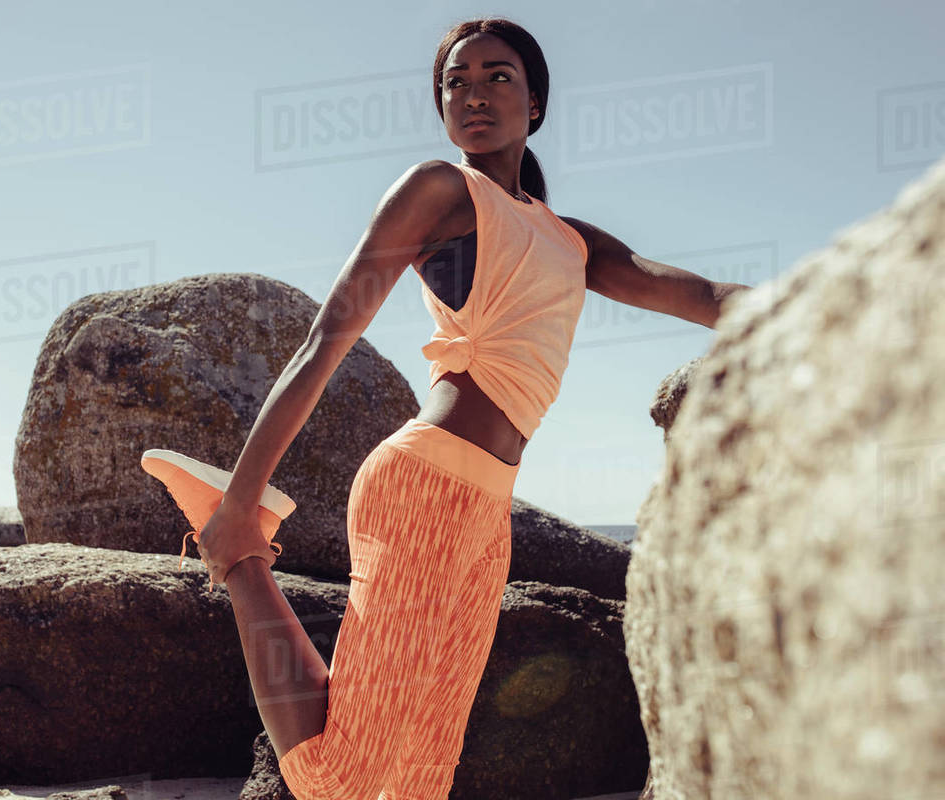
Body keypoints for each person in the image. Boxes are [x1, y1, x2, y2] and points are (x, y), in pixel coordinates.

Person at [147, 16, 751, 800]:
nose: (474, 95)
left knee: (424, 777)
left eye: (498, 77)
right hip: (420, 487)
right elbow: (325, 342)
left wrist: (826, 305)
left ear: (536, 103)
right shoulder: (439, 190)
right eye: (455, 82)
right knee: (340, 781)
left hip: (487, 515)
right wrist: (239, 498)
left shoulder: (572, 241)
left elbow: (704, 295)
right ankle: (242, 553)